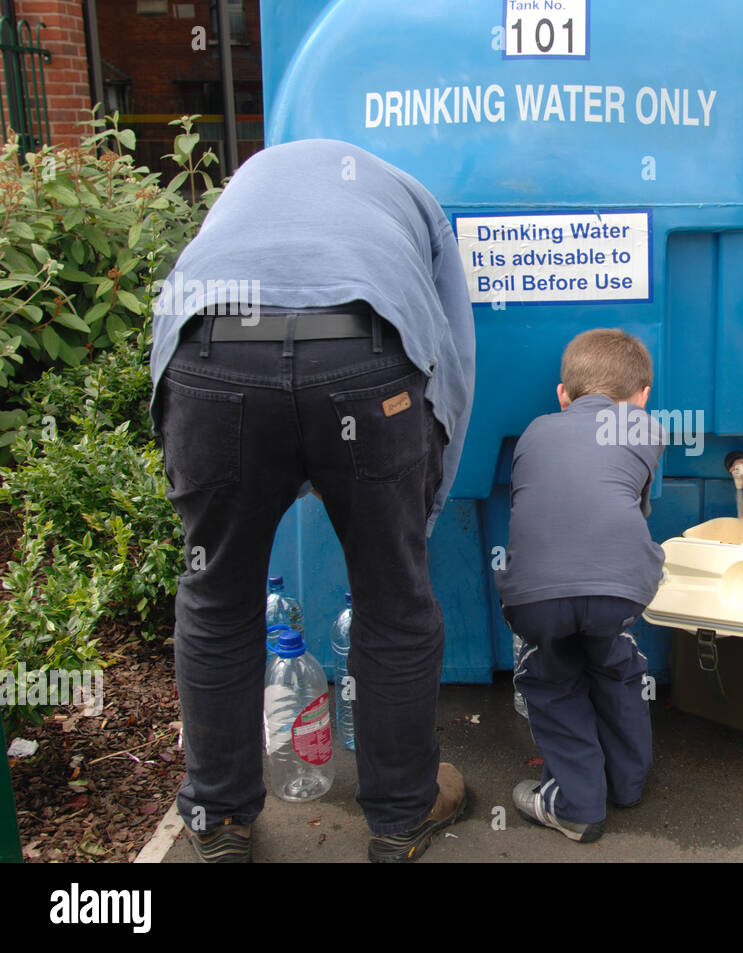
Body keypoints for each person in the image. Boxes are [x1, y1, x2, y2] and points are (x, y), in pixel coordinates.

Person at [149, 139, 475, 862]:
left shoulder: (244, 187)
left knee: (216, 595)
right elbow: (449, 348)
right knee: (394, 595)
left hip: (210, 352)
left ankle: (219, 816)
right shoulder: (414, 201)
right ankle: (401, 814)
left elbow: (175, 317)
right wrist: (423, 492)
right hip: (364, 355)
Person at [495, 329, 665, 842]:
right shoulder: (649, 428)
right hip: (621, 589)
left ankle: (576, 804)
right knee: (616, 664)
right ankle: (627, 785)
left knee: (551, 678)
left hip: (536, 597)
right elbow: (631, 509)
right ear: (643, 396)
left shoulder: (535, 431)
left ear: (563, 396)